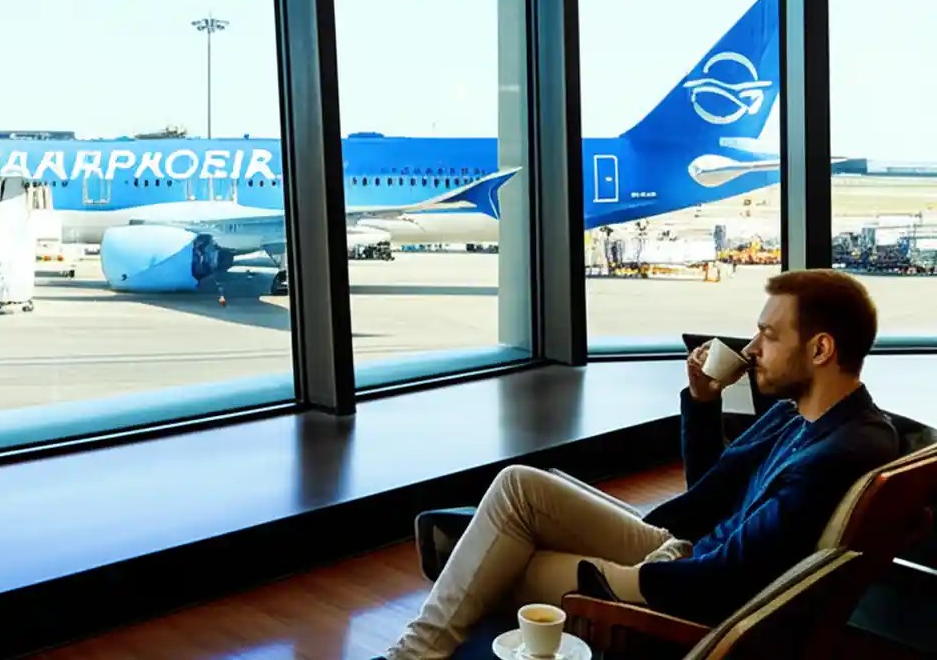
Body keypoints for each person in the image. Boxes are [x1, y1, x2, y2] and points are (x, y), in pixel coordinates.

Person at [373, 269, 901, 660]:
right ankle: (435, 615)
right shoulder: (799, 414)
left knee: (502, 564)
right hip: (683, 548)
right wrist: (702, 402)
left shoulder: (838, 454)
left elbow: (730, 579)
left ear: (821, 349)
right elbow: (708, 491)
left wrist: (644, 573)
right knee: (517, 488)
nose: (753, 347)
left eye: (770, 334)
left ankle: (411, 655)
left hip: (686, 583)